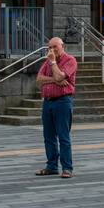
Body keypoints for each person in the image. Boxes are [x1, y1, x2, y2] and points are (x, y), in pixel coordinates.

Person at [34, 36, 77, 179]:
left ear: (62, 46)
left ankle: (67, 168)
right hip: (48, 102)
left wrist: (53, 63)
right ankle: (52, 166)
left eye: (54, 47)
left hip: (63, 102)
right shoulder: (47, 62)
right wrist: (55, 80)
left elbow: (60, 76)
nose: (51, 50)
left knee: (63, 136)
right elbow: (39, 79)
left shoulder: (70, 60)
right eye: (49, 48)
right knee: (48, 136)